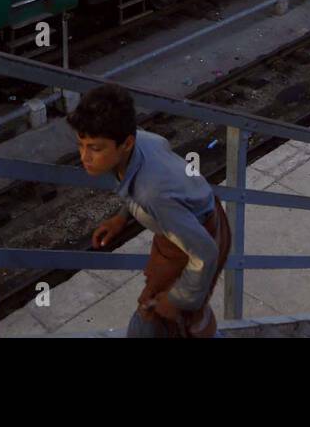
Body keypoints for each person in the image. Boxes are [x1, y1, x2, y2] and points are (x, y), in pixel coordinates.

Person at [69, 83, 231, 338]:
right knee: (159, 315)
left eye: (95, 148)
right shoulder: (140, 140)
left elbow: (205, 253)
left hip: (199, 233)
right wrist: (123, 217)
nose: (84, 157)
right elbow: (136, 187)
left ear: (126, 143)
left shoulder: (152, 195)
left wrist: (179, 298)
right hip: (183, 224)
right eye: (81, 145)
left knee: (182, 319)